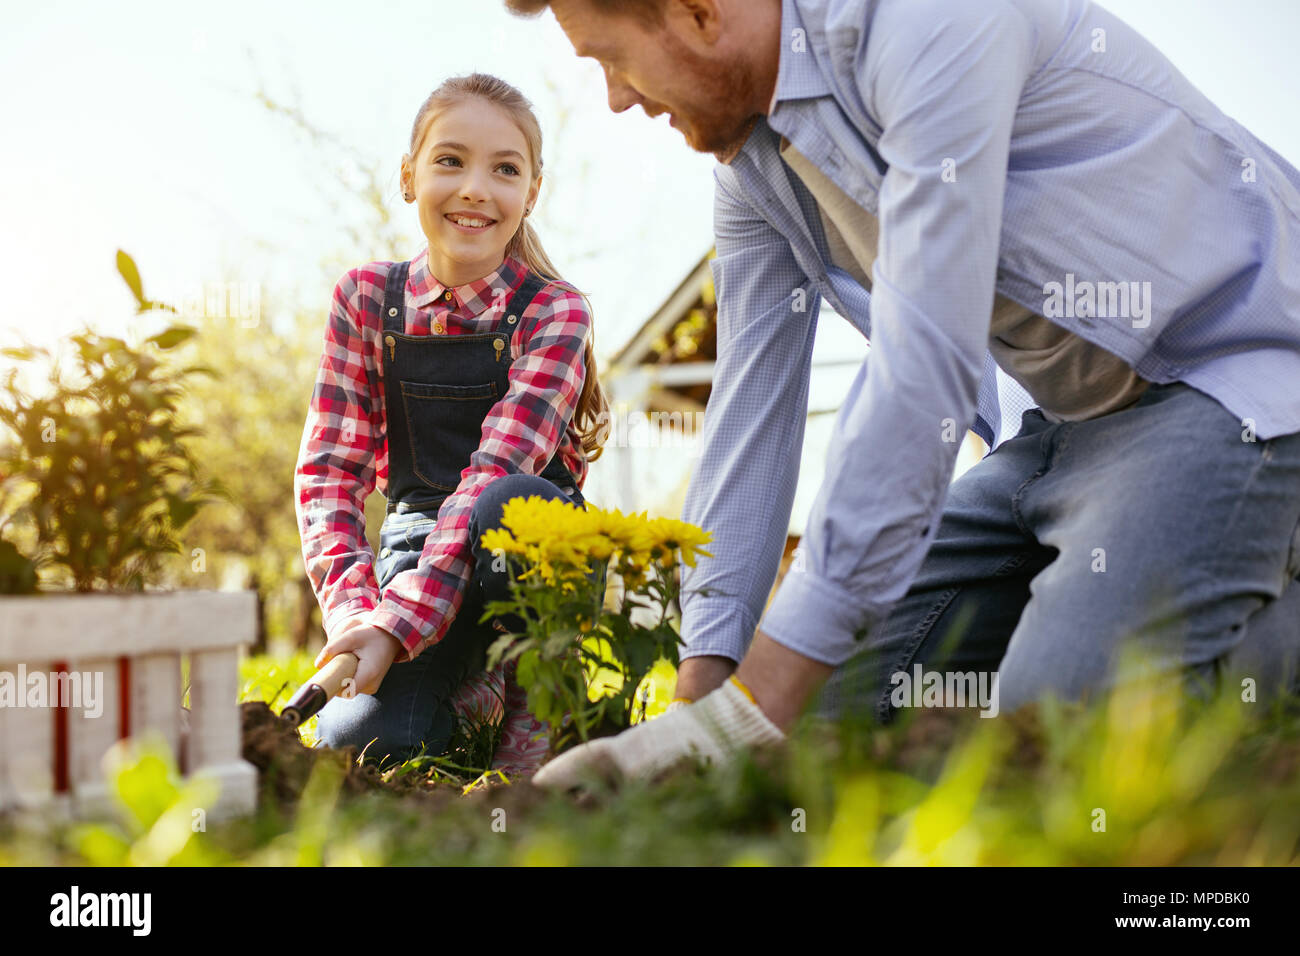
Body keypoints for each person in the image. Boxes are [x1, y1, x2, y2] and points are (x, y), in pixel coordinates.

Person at [501, 0, 1300, 789]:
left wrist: (752, 709)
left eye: (611, 58)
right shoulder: (754, 172)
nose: (615, 96)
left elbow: (926, 369)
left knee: (1048, 741)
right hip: (1057, 437)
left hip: (1228, 384)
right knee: (825, 729)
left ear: (700, 13)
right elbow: (749, 415)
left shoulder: (930, 22)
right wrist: (700, 713)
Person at [293, 72, 609, 773]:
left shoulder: (556, 313)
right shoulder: (366, 300)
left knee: (506, 505)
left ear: (532, 193)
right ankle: (468, 688)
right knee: (364, 747)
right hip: (415, 552)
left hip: (526, 555)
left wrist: (399, 627)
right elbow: (329, 475)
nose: (475, 187)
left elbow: (493, 473)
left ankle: (536, 695)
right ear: (409, 177)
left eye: (505, 169)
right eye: (450, 160)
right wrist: (357, 621)